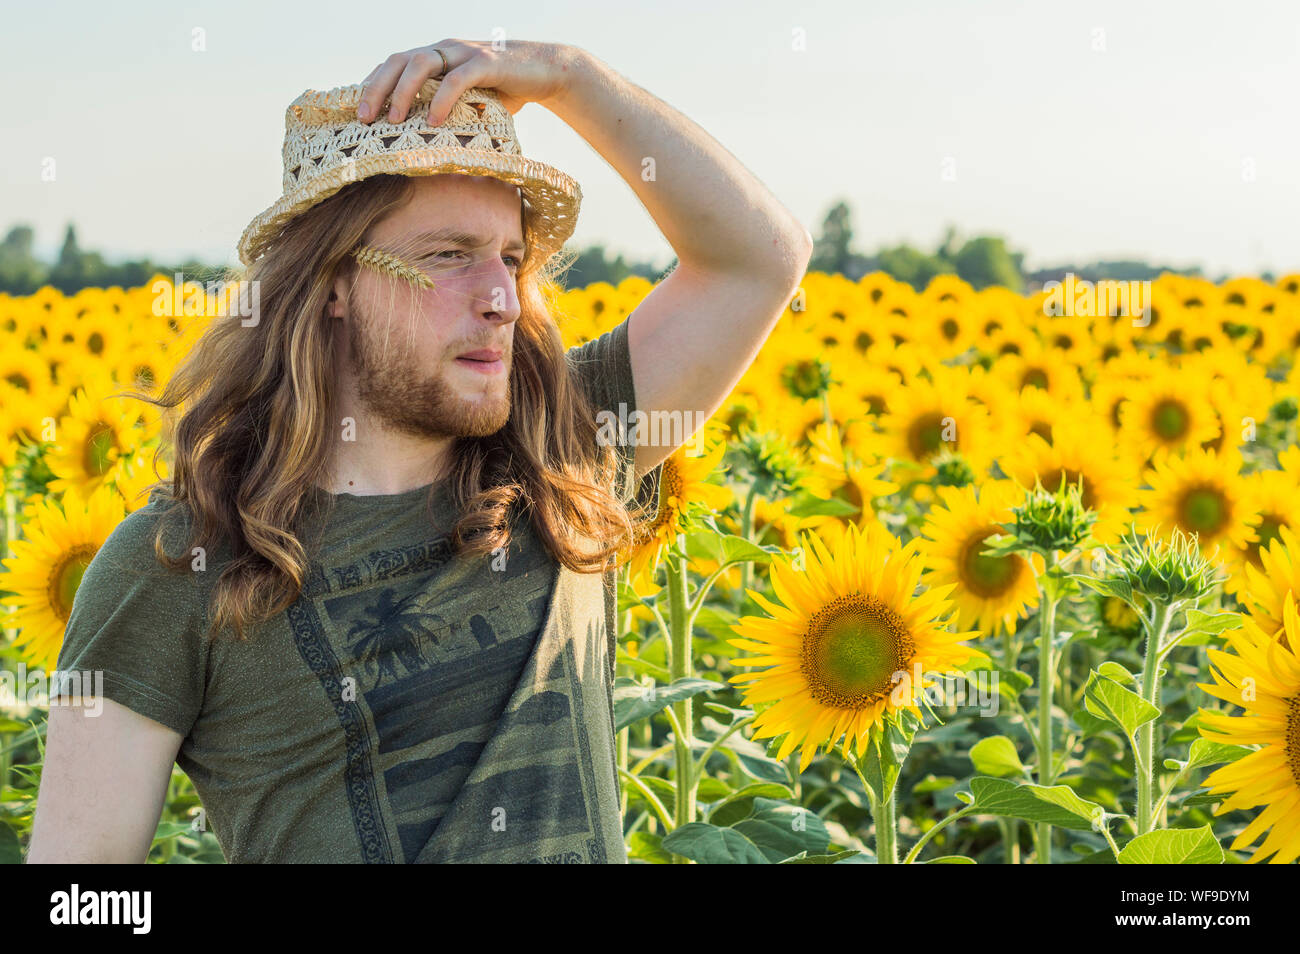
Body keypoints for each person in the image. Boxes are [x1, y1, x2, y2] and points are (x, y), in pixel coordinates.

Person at [26, 39, 812, 863]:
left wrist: (570, 79)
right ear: (330, 283)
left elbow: (758, 261)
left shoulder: (563, 452)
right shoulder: (178, 563)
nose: (504, 299)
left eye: (512, 259)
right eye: (448, 257)